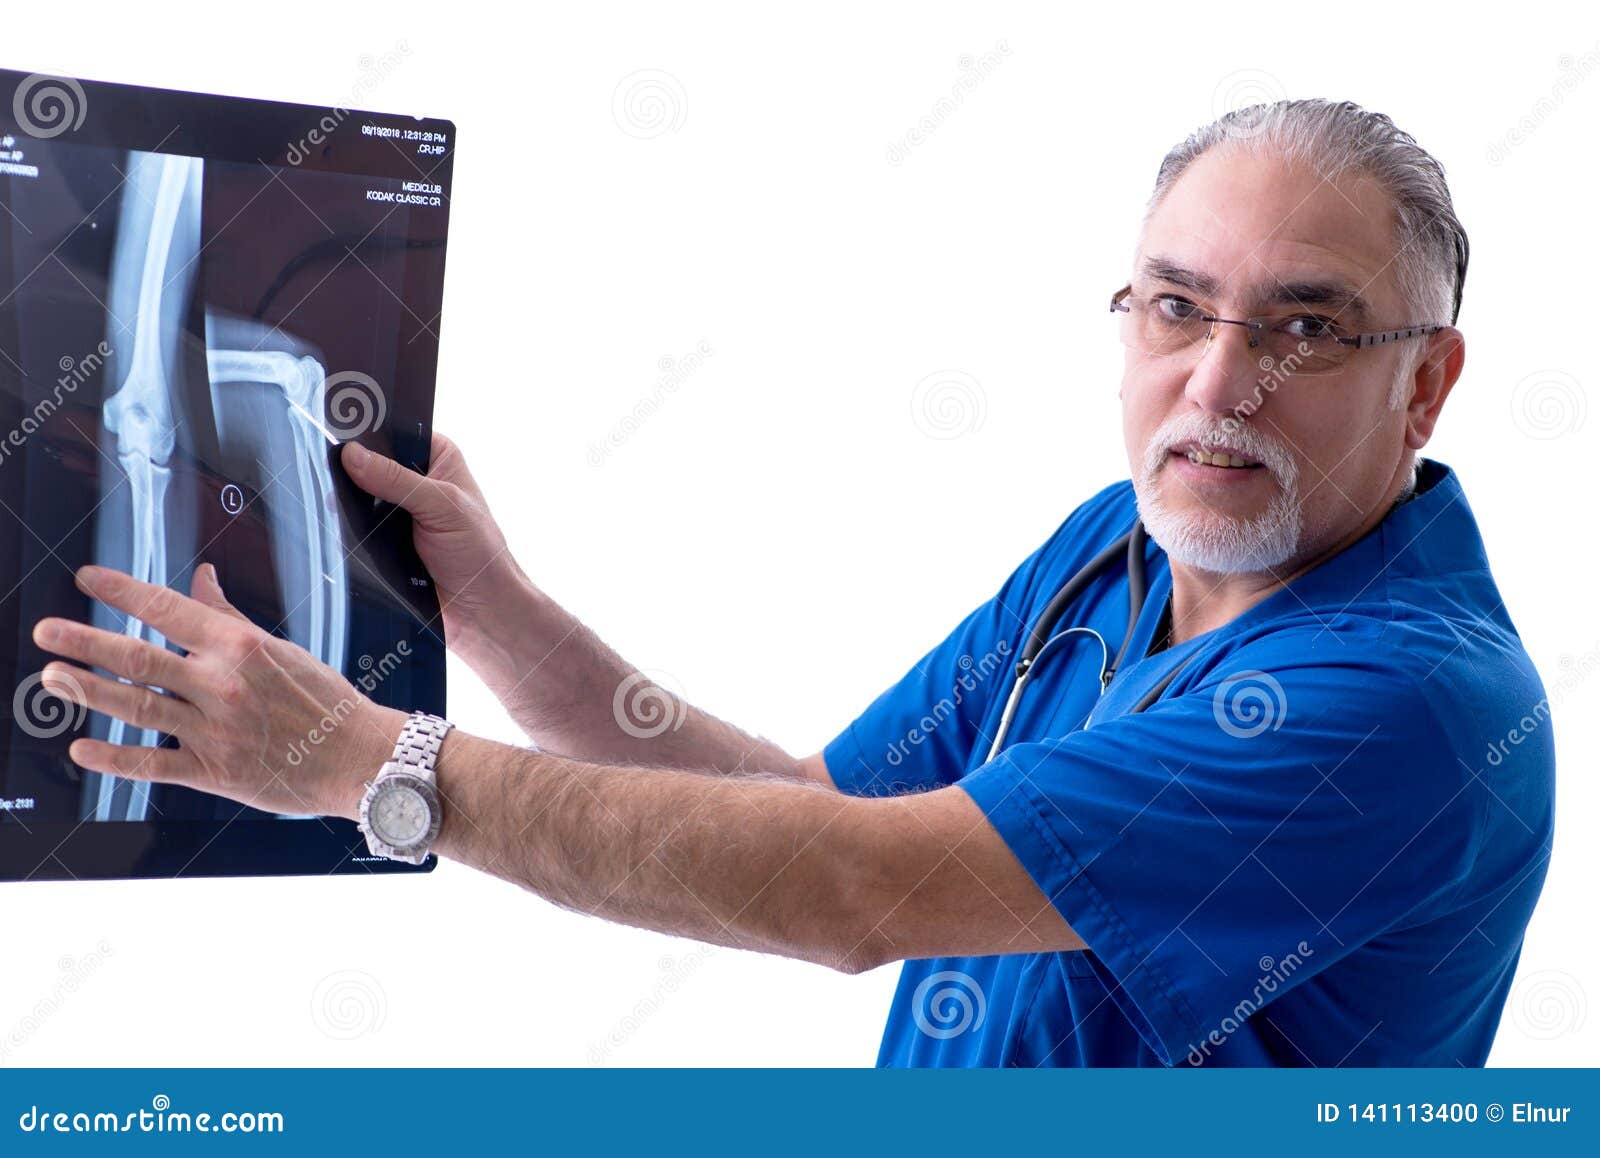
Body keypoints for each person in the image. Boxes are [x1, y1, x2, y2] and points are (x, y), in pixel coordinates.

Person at [31, 98, 1553, 1067]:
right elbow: (810, 807)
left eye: (1304, 329)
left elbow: (849, 892)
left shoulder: (1406, 702)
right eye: (1176, 306)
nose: (1215, 383)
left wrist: (379, 764)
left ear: (1427, 386)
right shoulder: (1114, 546)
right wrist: (493, 607)